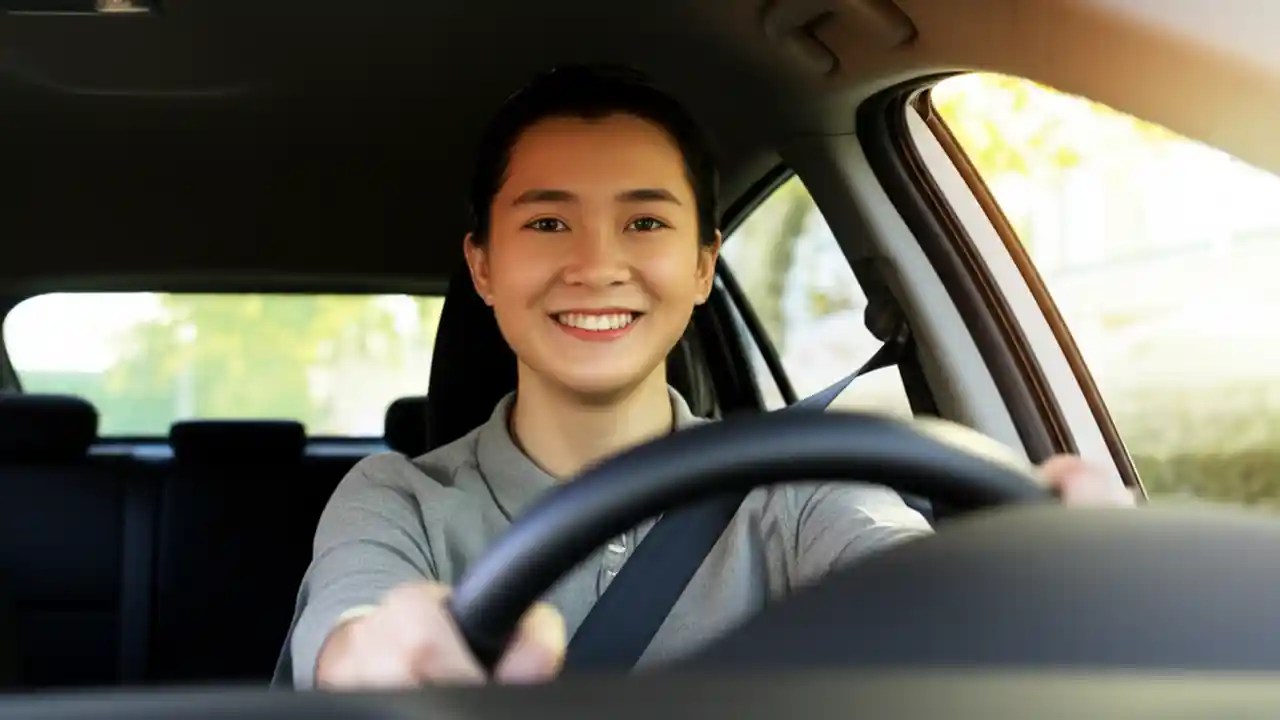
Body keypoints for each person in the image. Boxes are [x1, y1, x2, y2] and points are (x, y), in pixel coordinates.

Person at [274, 64, 1134, 690]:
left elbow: (896, 576)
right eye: (546, 223)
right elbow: (352, 632)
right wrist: (381, 660)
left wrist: (1019, 593)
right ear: (484, 267)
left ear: (701, 266)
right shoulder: (396, 496)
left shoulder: (797, 482)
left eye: (644, 220)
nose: (597, 264)